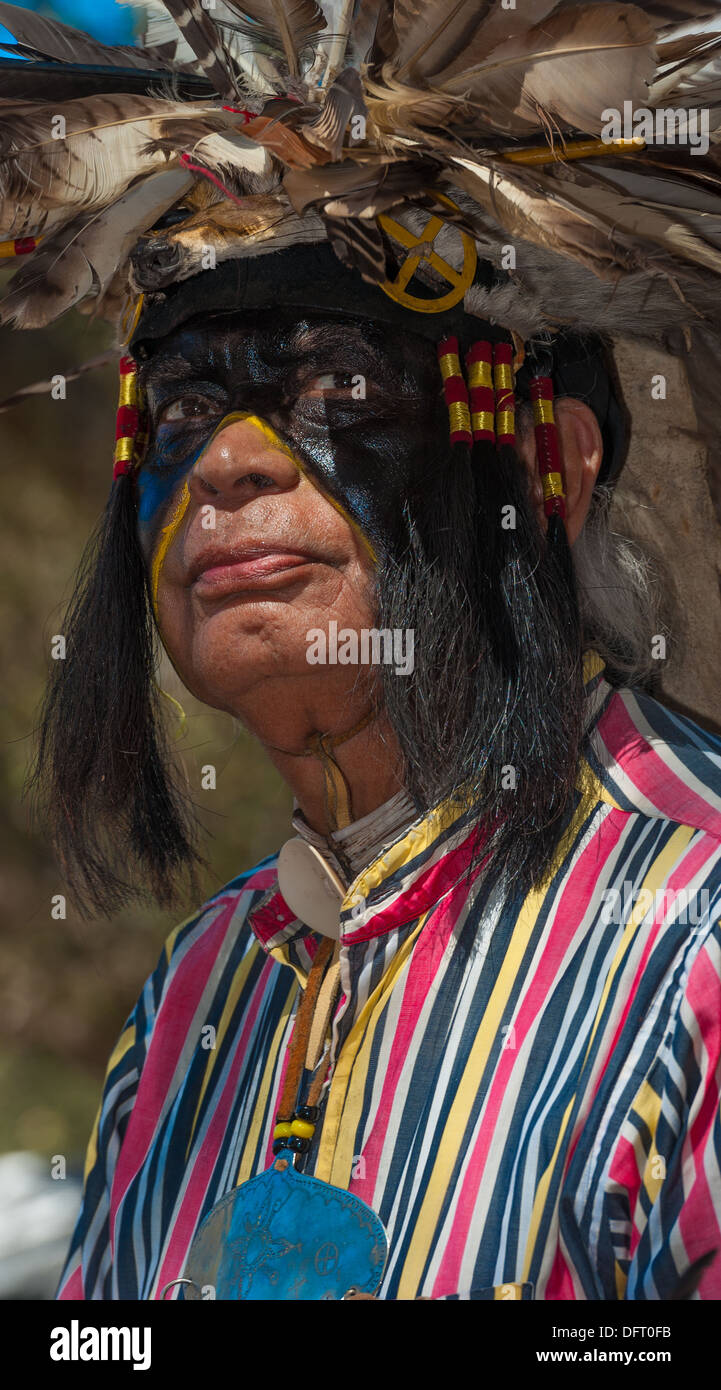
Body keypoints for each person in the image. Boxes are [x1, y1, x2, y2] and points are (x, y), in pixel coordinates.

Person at [2, 0, 720, 1300]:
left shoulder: (692, 936)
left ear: (543, 463)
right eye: (179, 409)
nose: (224, 463)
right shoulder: (198, 992)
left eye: (336, 386)